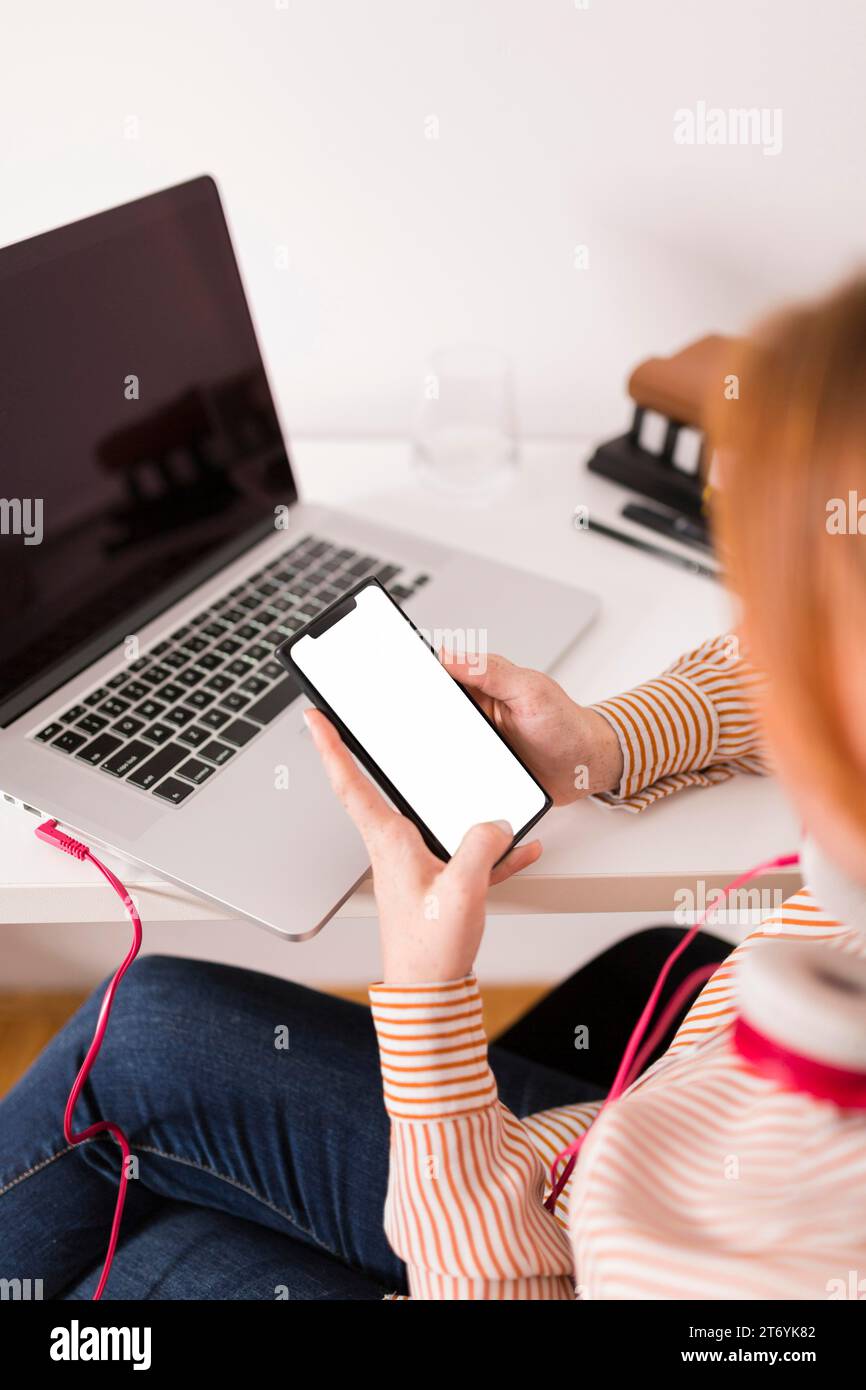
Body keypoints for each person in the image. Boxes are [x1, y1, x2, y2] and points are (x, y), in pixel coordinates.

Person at [1, 279, 864, 1299]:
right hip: (640, 1129)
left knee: (137, 1198)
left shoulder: (794, 1209)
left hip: (568, 1237)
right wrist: (597, 741)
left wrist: (426, 1002)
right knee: (142, 1158)